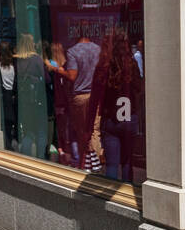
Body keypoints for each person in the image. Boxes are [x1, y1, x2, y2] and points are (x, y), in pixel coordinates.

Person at [91, 32, 142, 183]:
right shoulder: (132, 65)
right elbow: (139, 88)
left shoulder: (104, 67)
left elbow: (96, 97)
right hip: (129, 118)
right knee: (127, 163)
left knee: (112, 164)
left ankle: (110, 199)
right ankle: (126, 193)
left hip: (111, 120)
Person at [50, 26, 102, 170]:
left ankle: (86, 165)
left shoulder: (73, 51)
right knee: (95, 131)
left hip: (79, 97)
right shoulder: (98, 49)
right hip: (96, 95)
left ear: (77, 34)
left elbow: (72, 76)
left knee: (81, 132)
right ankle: (96, 164)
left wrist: (59, 70)